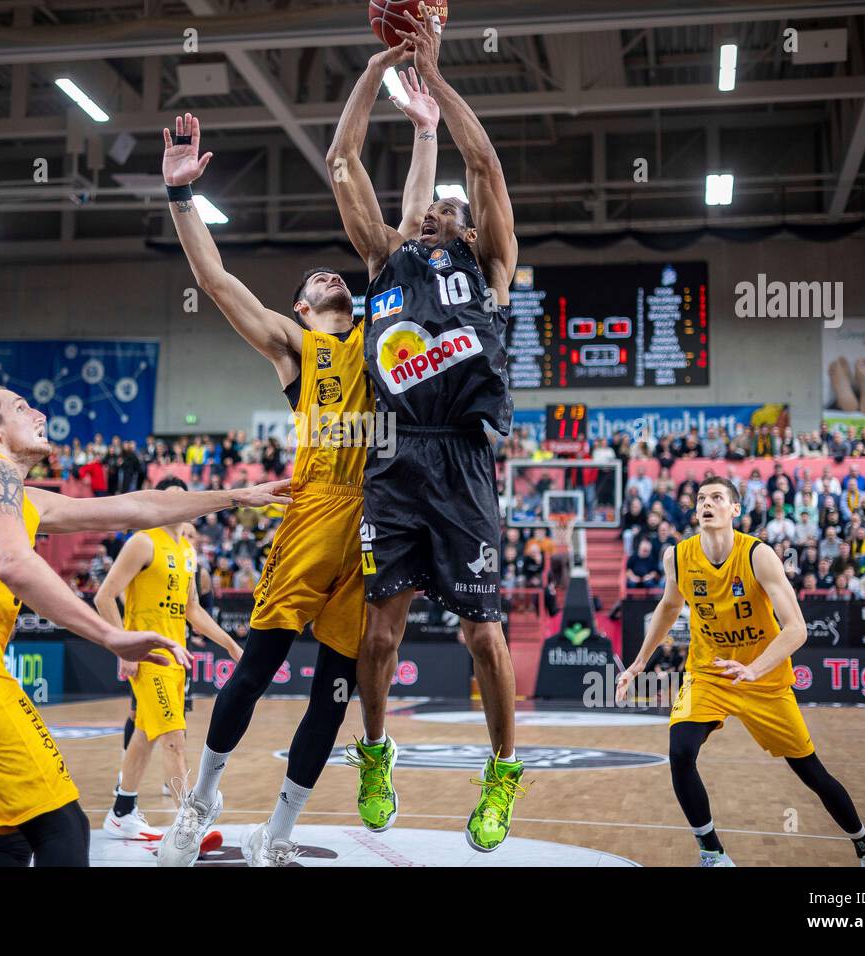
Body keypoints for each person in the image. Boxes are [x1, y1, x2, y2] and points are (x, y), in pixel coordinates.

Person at [155, 86, 439, 867]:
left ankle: (276, 831)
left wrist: (424, 132)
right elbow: (215, 280)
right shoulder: (294, 349)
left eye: (333, 275)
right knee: (257, 668)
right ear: (300, 307)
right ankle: (198, 804)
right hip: (316, 509)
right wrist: (183, 194)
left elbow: (411, 226)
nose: (329, 278)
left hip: (380, 521)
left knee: (334, 693)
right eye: (315, 280)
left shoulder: (386, 325)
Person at [0, 381, 290, 867]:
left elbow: (137, 507)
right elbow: (14, 564)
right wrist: (110, 635)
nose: (38, 412)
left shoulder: (7, 491)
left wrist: (237, 495)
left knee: (8, 841)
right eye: (21, 407)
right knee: (64, 827)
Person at [328, 7, 523, 851]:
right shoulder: (385, 264)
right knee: (379, 633)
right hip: (395, 459)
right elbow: (341, 161)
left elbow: (481, 160)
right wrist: (380, 70)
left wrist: (435, 76)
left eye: (452, 207)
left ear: (471, 229)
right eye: (430, 205)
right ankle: (376, 753)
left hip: (466, 464)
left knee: (483, 635)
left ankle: (502, 772)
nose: (441, 208)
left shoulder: (492, 268)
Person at [616, 476, 865, 867]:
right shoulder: (677, 557)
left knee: (811, 772)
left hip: (764, 679)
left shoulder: (758, 555)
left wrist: (754, 669)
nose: (706, 504)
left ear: (735, 510)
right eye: (700, 498)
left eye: (716, 498)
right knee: (680, 751)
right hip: (710, 673)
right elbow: (668, 606)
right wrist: (639, 662)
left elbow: (797, 628)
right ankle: (712, 852)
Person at [96, 477, 243, 844]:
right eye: (170, 499)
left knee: (145, 735)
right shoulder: (143, 542)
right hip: (148, 658)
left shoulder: (188, 553)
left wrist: (229, 644)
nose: (178, 505)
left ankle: (121, 812)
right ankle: (188, 824)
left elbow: (193, 610)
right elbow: (104, 596)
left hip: (177, 658)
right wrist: (124, 646)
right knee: (174, 740)